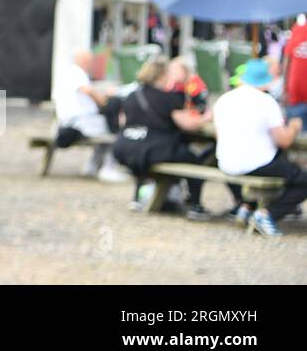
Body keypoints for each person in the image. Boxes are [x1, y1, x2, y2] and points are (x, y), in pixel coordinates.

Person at [214, 58, 306, 237]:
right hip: (255, 163)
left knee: (279, 164)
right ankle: (268, 214)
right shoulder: (267, 102)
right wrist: (295, 127)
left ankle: (247, 206)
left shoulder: (224, 99)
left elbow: (219, 135)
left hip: (226, 161)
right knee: (302, 178)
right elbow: (284, 141)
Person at [112, 55, 212, 218]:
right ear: (161, 75)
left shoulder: (132, 95)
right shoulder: (167, 99)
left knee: (149, 155)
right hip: (153, 149)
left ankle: (138, 198)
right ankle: (196, 205)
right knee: (194, 160)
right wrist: (207, 118)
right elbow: (188, 124)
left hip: (126, 146)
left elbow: (122, 120)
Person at [52, 50, 130, 182]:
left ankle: (93, 165)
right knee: (115, 130)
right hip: (80, 121)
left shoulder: (67, 73)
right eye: (91, 61)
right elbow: (87, 90)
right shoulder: (76, 73)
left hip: (72, 121)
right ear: (85, 61)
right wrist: (103, 100)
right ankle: (108, 168)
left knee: (106, 127)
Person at [284, 14, 307, 126]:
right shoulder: (297, 29)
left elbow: (286, 63)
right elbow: (287, 62)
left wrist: (284, 90)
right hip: (295, 99)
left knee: (297, 141)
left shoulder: (297, 29)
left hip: (295, 98)